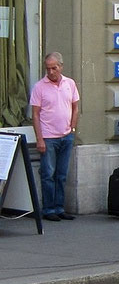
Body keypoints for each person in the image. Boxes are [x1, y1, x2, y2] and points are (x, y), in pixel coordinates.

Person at [30, 52, 80, 222]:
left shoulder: (70, 84)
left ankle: (60, 208)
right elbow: (35, 115)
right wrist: (40, 138)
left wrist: (72, 129)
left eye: (54, 68)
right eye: (48, 68)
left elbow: (75, 107)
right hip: (48, 138)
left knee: (61, 174)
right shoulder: (39, 87)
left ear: (61, 66)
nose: (51, 72)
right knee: (48, 174)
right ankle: (48, 209)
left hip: (66, 136)